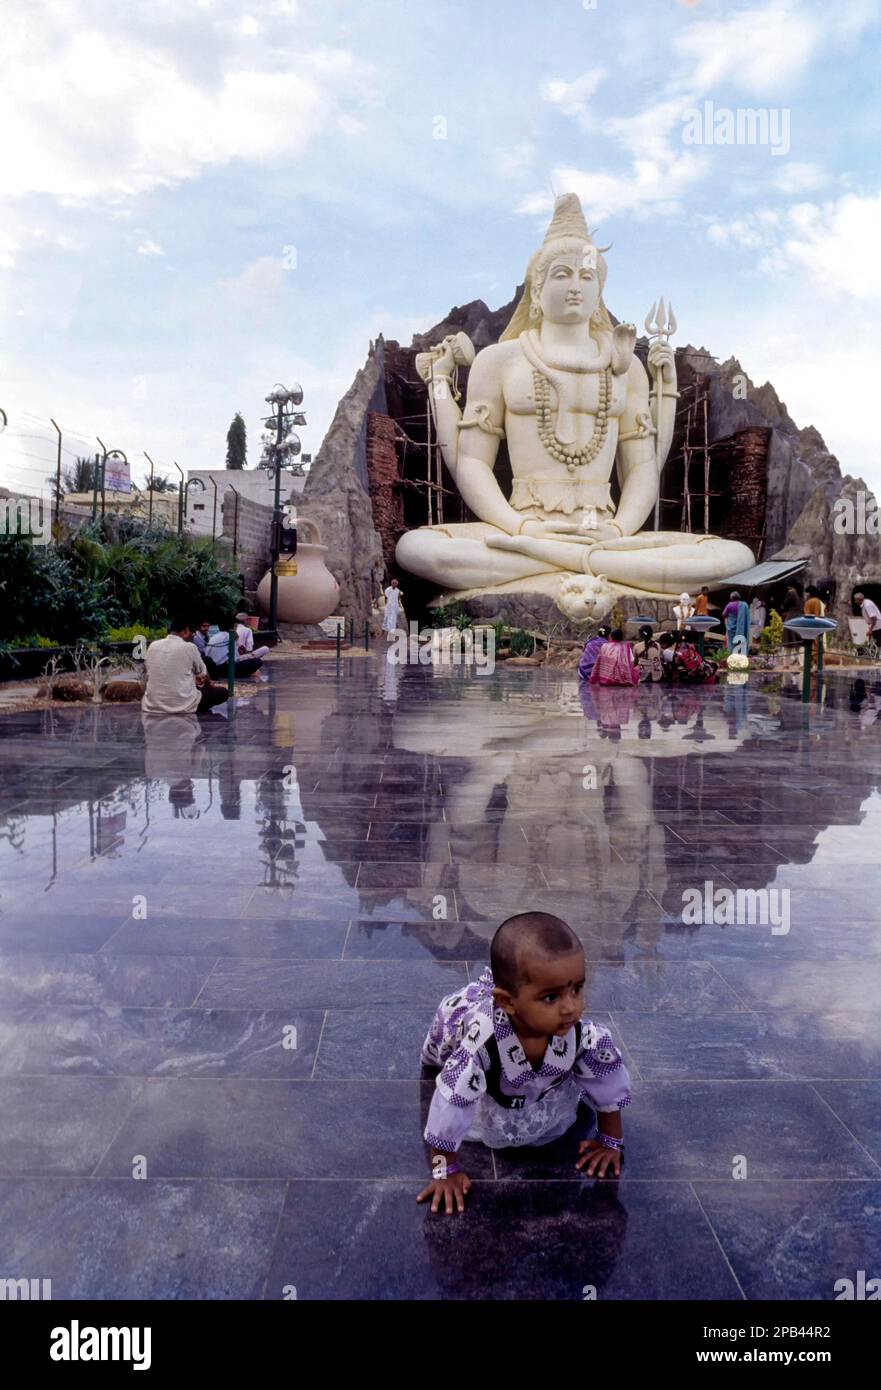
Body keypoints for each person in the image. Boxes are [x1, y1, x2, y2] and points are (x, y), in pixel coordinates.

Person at [417, 912, 631, 1214]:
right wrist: (444, 1172)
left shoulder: (581, 1036)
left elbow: (606, 1081)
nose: (570, 1007)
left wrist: (610, 1141)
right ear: (506, 1002)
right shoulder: (481, 1045)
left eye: (577, 989)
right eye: (550, 997)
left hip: (538, 1084)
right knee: (448, 1058)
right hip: (487, 1071)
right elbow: (450, 1102)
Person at [141, 617, 228, 715]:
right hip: (183, 705)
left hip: (152, 705)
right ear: (186, 630)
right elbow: (204, 675)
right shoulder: (189, 647)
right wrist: (209, 685)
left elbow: (147, 676)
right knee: (223, 692)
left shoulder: (153, 646)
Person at [723, 590, 750, 654]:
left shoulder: (729, 605)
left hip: (731, 628)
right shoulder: (744, 605)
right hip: (742, 628)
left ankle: (732, 656)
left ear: (731, 598)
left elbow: (724, 614)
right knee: (741, 641)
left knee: (731, 643)